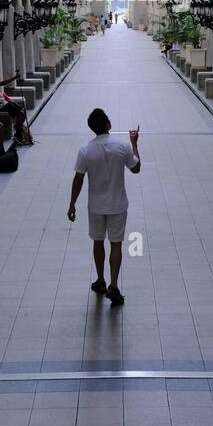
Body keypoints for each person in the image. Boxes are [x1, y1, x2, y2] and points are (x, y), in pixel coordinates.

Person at [67, 109, 140, 306]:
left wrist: (72, 203)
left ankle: (100, 280)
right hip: (117, 205)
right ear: (108, 124)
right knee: (116, 244)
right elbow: (136, 168)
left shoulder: (85, 150)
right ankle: (114, 285)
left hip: (96, 206)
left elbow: (78, 179)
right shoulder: (123, 146)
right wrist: (134, 143)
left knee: (98, 242)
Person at [0, 67, 35, 145]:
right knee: (21, 114)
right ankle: (18, 134)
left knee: (22, 112)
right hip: (1, 107)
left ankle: (19, 131)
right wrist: (15, 77)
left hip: (5, 103)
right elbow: (3, 83)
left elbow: (2, 96)